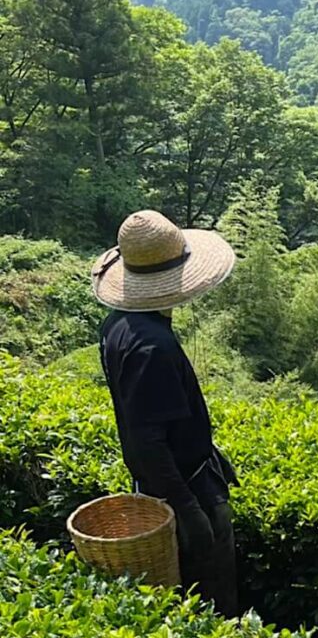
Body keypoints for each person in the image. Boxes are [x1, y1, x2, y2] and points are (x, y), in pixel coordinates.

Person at [92, 210, 243, 616]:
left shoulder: (118, 324)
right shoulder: (152, 347)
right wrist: (189, 510)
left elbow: (148, 423)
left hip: (165, 486)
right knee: (211, 600)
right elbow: (148, 440)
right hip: (186, 491)